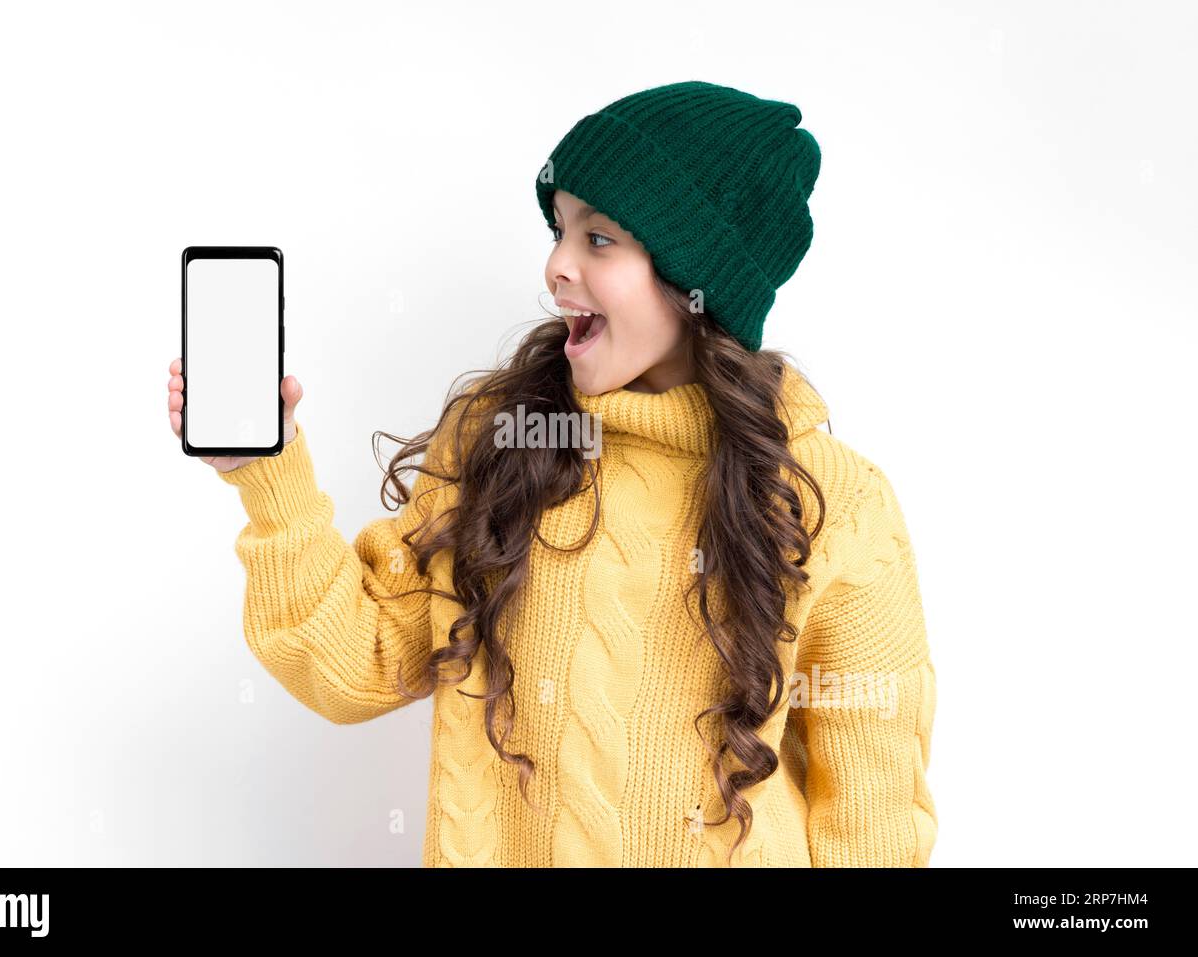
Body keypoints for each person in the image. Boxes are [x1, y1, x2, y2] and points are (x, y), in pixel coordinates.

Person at [165, 80, 938, 868]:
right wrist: (269, 474)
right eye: (560, 229)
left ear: (694, 279)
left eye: (599, 239)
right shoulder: (500, 445)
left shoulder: (834, 502)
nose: (556, 265)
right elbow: (357, 661)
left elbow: (871, 827)